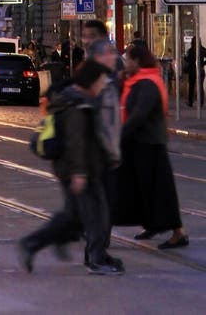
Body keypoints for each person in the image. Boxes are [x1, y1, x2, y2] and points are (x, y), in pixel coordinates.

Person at [18, 60, 124, 275]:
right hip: (78, 169)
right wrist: (79, 173)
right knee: (97, 215)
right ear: (91, 81)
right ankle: (96, 259)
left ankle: (33, 244)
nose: (103, 85)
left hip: (80, 168)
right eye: (101, 81)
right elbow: (77, 142)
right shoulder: (77, 105)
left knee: (74, 216)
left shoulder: (80, 100)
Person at [112, 44, 189, 250]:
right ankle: (152, 225)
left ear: (137, 61)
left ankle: (178, 232)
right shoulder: (136, 81)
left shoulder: (148, 83)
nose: (126, 63)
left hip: (150, 144)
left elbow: (139, 115)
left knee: (159, 190)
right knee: (142, 188)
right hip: (139, 143)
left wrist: (119, 134)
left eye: (128, 59)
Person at [86, 39, 123, 269]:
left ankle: (96, 252)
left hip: (103, 154)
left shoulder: (104, 82)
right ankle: (96, 257)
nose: (115, 58)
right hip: (97, 155)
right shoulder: (97, 84)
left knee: (101, 206)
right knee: (100, 207)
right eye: (110, 54)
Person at [185, 36, 205, 107]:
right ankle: (201, 102)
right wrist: (202, 63)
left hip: (192, 70)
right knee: (200, 86)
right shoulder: (203, 50)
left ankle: (190, 102)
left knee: (192, 86)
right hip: (200, 69)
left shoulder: (190, 50)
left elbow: (186, 59)